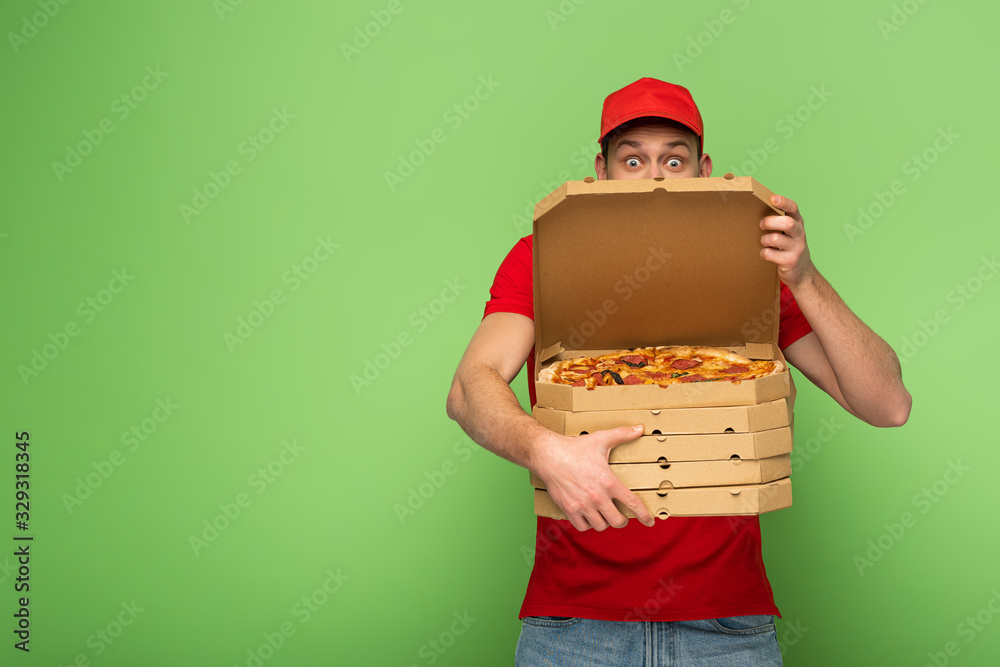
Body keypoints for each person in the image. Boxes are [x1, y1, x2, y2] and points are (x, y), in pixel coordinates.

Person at [446, 77, 911, 666]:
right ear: (601, 171)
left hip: (727, 627)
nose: (655, 177)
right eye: (632, 159)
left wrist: (805, 278)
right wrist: (545, 451)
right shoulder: (542, 255)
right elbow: (469, 387)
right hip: (574, 626)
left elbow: (887, 404)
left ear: (703, 170)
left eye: (673, 159)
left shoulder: (758, 264)